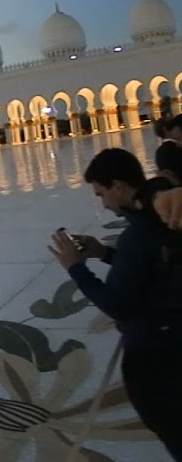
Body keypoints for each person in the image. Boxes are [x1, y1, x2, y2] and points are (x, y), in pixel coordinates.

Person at [48, 148, 182, 459]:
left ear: (119, 186)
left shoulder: (138, 234)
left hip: (158, 353)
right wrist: (103, 252)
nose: (103, 204)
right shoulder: (159, 217)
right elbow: (149, 267)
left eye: (101, 194)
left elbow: (117, 304)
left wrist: (75, 267)